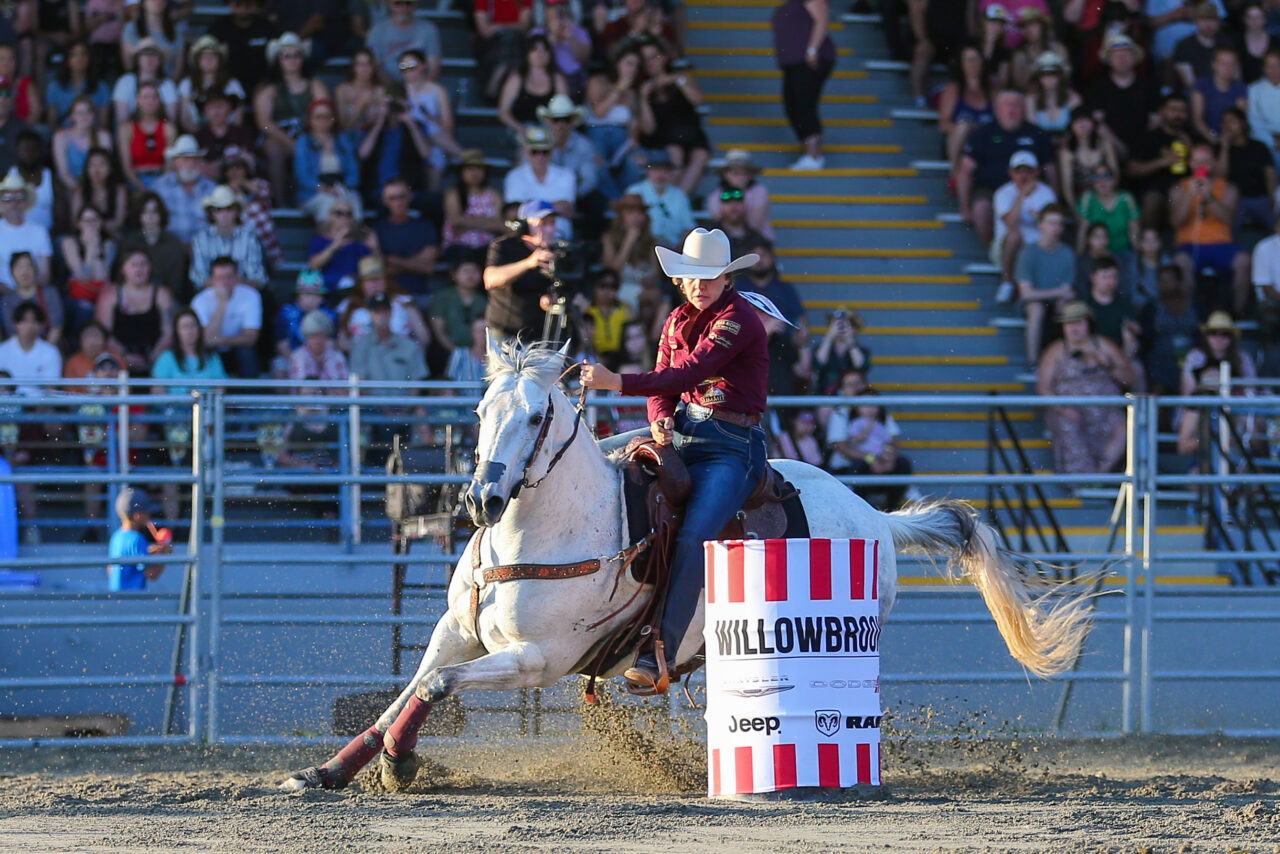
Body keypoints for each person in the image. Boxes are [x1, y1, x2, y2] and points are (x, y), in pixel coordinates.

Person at [580, 227, 768, 696]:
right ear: (681, 280)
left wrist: (615, 382)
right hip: (686, 433)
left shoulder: (738, 319)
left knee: (694, 538)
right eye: (693, 277)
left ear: (727, 279)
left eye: (711, 277)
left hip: (732, 446)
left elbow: (689, 372)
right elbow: (667, 384)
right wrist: (661, 417)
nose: (701, 285)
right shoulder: (676, 320)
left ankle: (657, 651)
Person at [1037, 301, 1135, 477]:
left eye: (1078, 322)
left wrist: (1109, 366)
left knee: (1124, 427)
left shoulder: (1104, 345)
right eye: (1069, 323)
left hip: (1106, 410)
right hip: (1070, 411)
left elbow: (1130, 378)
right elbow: (1044, 388)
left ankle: (1098, 476)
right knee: (1068, 426)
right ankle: (1079, 480)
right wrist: (1064, 409)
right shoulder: (1056, 350)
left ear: (1088, 323)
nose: (1074, 328)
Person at [958, 90, 1055, 250]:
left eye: (1016, 105)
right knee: (981, 208)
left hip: (1031, 189)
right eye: (1006, 105)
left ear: (1024, 109)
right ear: (996, 109)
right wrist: (964, 207)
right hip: (990, 190)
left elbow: (1050, 169)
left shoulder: (1037, 134)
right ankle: (994, 251)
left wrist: (1054, 201)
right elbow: (965, 170)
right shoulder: (983, 133)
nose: (1011, 110)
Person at [1170, 143, 1252, 316]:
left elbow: (1228, 219)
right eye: (1196, 161)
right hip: (1189, 245)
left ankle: (1237, 316)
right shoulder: (1178, 188)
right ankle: (1189, 318)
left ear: (1214, 163)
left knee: (1244, 261)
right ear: (1190, 163)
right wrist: (1189, 195)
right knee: (1181, 262)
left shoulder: (1228, 188)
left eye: (1205, 161)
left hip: (1221, 245)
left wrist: (1210, 196)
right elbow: (1176, 221)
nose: (1200, 166)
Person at [253, 33, 330, 205]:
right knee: (274, 149)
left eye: (296, 55)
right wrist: (290, 143)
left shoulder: (315, 85)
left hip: (311, 134)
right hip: (279, 137)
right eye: (286, 56)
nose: (292, 60)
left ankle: (316, 195)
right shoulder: (268, 89)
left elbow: (325, 113)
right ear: (278, 60)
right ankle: (281, 202)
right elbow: (264, 123)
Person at [483, 200, 566, 342]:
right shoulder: (504, 246)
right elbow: (490, 280)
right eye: (542, 223)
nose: (550, 229)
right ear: (525, 226)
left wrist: (552, 298)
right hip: (506, 334)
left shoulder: (558, 251)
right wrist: (529, 262)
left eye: (552, 223)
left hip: (543, 336)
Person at [637, 37, 710, 193]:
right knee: (674, 152)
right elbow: (648, 129)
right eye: (646, 59)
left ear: (663, 57)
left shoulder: (681, 77)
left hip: (690, 134)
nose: (650, 62)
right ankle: (671, 199)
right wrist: (643, 98)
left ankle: (679, 199)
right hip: (664, 138)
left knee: (701, 155)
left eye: (654, 57)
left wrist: (677, 81)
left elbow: (697, 100)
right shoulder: (644, 88)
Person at [770, 0, 835, 170]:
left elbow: (822, 18)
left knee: (803, 104)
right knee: (792, 104)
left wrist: (812, 50)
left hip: (808, 61)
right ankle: (809, 152)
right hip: (794, 63)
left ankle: (813, 155)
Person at [825, 388, 914, 509]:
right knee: (858, 467)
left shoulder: (882, 420)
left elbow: (892, 441)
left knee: (903, 463)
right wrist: (871, 458)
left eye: (873, 404)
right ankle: (859, 509)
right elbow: (846, 446)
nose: (870, 408)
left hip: (882, 460)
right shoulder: (847, 417)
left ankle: (892, 508)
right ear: (857, 407)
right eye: (865, 404)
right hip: (860, 464)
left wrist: (889, 457)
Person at [95, 247, 175, 375]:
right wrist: (125, 356)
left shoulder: (162, 294)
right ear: (123, 269)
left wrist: (155, 355)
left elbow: (168, 331)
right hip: (119, 357)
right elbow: (104, 334)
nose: (139, 269)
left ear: (150, 268)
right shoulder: (110, 294)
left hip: (155, 356)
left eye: (143, 264)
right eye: (133, 265)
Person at [992, 150, 1058, 304]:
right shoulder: (1002, 193)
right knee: (1014, 235)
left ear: (1036, 172)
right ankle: (1007, 283)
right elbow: (1011, 224)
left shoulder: (1047, 193)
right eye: (1018, 171)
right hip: (1006, 248)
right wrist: (1022, 195)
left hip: (1037, 247)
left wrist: (1040, 218)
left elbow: (1053, 227)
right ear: (1011, 173)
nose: (1023, 176)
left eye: (1028, 171)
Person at [1014, 204, 1075, 368]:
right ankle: (1032, 362)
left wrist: (1060, 294)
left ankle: (1066, 359)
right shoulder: (1028, 252)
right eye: (1051, 223)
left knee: (1067, 307)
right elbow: (1026, 293)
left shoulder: (1067, 253)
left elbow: (1067, 290)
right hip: (1032, 303)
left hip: (1055, 301)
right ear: (1040, 224)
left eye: (1059, 224)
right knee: (1036, 308)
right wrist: (1057, 292)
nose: (1055, 228)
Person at [190, 256, 263, 378]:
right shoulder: (200, 301)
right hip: (211, 351)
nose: (224, 283)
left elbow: (251, 337)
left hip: (237, 349)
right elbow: (205, 340)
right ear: (212, 280)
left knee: (247, 354)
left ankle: (251, 395)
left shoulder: (251, 296)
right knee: (201, 355)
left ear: (237, 278)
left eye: (229, 277)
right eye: (219, 278)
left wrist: (219, 341)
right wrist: (222, 303)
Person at [189, 185, 266, 295]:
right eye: (219, 210)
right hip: (211, 293)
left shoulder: (249, 238)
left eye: (229, 209)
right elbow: (199, 277)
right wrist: (223, 287)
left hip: (243, 292)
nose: (224, 214)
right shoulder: (200, 238)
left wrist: (230, 286)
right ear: (212, 213)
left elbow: (257, 277)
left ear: (236, 212)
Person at [503, 125, 576, 240]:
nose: (540, 156)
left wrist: (527, 207)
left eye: (544, 151)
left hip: (559, 237)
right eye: (535, 151)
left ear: (552, 151)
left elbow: (566, 209)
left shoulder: (567, 175)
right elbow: (512, 213)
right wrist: (551, 207)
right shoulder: (514, 176)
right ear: (526, 151)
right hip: (525, 239)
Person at [1139, 265, 1201, 395]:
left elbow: (1202, 334)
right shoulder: (1151, 307)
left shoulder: (1195, 304)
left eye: (1169, 280)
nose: (1165, 284)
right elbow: (1146, 339)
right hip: (1161, 363)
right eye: (1161, 280)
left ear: (1179, 281)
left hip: (1192, 360)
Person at [374, 177, 439, 297]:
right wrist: (414, 264)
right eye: (392, 198)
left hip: (420, 293)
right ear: (384, 200)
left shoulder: (425, 226)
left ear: (410, 196)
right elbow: (378, 270)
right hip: (388, 297)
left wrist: (390, 260)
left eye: (401, 197)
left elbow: (428, 267)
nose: (398, 202)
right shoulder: (377, 230)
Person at [939, 45, 995, 185]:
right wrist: (968, 126)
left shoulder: (992, 89)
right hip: (961, 141)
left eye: (976, 59)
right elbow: (943, 125)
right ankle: (954, 177)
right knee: (962, 128)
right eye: (969, 60)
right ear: (961, 64)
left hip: (987, 139)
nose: (973, 64)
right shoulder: (953, 89)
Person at [117, 192, 188, 299]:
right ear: (139, 215)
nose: (150, 217)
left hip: (165, 298)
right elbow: (120, 277)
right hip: (131, 296)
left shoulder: (174, 244)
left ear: (161, 214)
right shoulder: (128, 242)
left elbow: (176, 284)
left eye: (154, 212)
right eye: (145, 212)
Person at [496, 33, 569, 135]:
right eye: (534, 49)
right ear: (527, 53)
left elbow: (565, 111)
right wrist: (521, 129)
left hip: (551, 132)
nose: (540, 53)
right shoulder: (516, 79)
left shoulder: (558, 79)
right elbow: (503, 112)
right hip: (520, 131)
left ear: (550, 54)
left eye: (545, 49)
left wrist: (554, 129)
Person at [294, 98, 360, 207]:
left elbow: (353, 169)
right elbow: (302, 176)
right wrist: (323, 188)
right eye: (318, 117)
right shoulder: (304, 142)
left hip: (341, 187)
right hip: (313, 192)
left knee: (354, 202)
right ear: (310, 120)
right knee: (330, 205)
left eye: (327, 116)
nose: (322, 120)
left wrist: (344, 187)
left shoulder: (342, 139)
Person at [442, 149, 506, 262]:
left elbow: (499, 224)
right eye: (470, 169)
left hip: (487, 247)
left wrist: (467, 224)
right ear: (462, 172)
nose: (475, 173)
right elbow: (456, 220)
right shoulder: (453, 194)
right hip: (458, 246)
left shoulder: (494, 195)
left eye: (479, 168)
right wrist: (487, 222)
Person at [152, 135, 218, 244]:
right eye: (186, 159)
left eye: (195, 159)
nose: (191, 164)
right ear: (174, 161)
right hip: (170, 247)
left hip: (205, 246)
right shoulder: (159, 187)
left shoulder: (211, 188)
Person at [625, 151, 695, 248]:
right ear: (647, 172)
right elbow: (626, 223)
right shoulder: (634, 191)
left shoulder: (679, 195)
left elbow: (688, 227)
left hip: (672, 248)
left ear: (671, 173)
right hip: (642, 247)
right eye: (656, 170)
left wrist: (679, 249)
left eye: (665, 170)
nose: (660, 175)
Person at [601, 192, 659, 311]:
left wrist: (649, 279)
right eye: (630, 213)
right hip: (618, 288)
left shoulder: (651, 241)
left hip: (643, 288)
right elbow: (612, 271)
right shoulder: (609, 238)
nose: (636, 217)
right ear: (622, 217)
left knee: (654, 304)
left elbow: (656, 272)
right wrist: (629, 241)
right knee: (653, 297)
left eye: (640, 213)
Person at [177, 35, 246, 133]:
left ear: (220, 60)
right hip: (197, 134)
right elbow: (185, 119)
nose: (208, 61)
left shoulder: (233, 84)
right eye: (204, 57)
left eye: (212, 57)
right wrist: (202, 136)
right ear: (197, 61)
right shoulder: (186, 84)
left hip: (228, 135)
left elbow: (238, 118)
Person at [107, 487, 172, 592]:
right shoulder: (137, 539)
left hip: (115, 596)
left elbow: (110, 570)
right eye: (147, 512)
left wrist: (149, 553)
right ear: (137, 516)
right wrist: (165, 555)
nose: (150, 515)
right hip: (133, 600)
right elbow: (151, 574)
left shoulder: (116, 536)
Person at [307, 200, 379, 294]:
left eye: (348, 214)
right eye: (339, 213)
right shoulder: (319, 240)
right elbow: (313, 266)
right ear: (330, 216)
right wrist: (334, 246)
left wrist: (375, 249)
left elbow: (375, 270)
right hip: (327, 292)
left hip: (354, 293)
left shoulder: (359, 244)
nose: (344, 217)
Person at [0, 169, 52, 289]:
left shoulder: (40, 231)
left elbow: (45, 275)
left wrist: (26, 293)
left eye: (19, 198)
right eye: (7, 198)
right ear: (0, 203)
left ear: (27, 202)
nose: (13, 204)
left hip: (33, 293)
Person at [365, 0, 441, 82]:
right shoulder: (377, 30)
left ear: (415, 4)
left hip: (421, 88)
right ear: (388, 4)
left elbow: (433, 68)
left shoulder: (428, 29)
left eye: (408, 3)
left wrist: (420, 90)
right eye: (398, 3)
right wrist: (393, 89)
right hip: (386, 89)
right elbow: (373, 66)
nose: (404, 7)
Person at [707, 150, 773, 241]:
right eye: (735, 173)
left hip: (757, 242)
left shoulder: (759, 191)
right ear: (726, 174)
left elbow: (754, 226)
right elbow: (719, 226)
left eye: (745, 173)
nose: (741, 177)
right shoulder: (715, 196)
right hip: (728, 242)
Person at [52, 95, 113, 192]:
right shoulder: (61, 137)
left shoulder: (103, 136)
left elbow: (107, 169)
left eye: (88, 112)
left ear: (93, 115)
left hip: (99, 189)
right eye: (79, 113)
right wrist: (81, 194)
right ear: (72, 116)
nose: (84, 117)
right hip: (70, 188)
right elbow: (64, 173)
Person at [428, 255, 487, 352]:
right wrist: (457, 353)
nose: (470, 275)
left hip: (478, 353)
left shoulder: (483, 300)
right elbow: (439, 332)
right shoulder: (443, 297)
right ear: (454, 274)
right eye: (465, 271)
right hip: (446, 351)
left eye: (475, 271)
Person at [2, 253, 62, 346]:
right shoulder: (7, 300)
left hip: (47, 347)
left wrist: (44, 352)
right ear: (12, 273)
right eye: (19, 267)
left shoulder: (49, 293)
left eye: (28, 266)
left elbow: (56, 328)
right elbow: (11, 332)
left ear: (36, 270)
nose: (24, 272)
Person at [1191, 47, 1247, 143]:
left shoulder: (1240, 87)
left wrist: (1226, 141)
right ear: (1214, 65)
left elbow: (1238, 120)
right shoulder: (1202, 84)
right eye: (1223, 64)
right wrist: (1214, 139)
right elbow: (1197, 119)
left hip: (1232, 139)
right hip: (1204, 138)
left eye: (1232, 64)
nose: (1228, 68)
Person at [73, 147, 129, 239]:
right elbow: (75, 223)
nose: (97, 170)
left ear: (110, 168)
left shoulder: (119, 190)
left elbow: (119, 222)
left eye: (101, 165)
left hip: (112, 235)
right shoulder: (79, 192)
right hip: (86, 236)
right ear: (86, 169)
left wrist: (94, 226)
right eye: (92, 165)